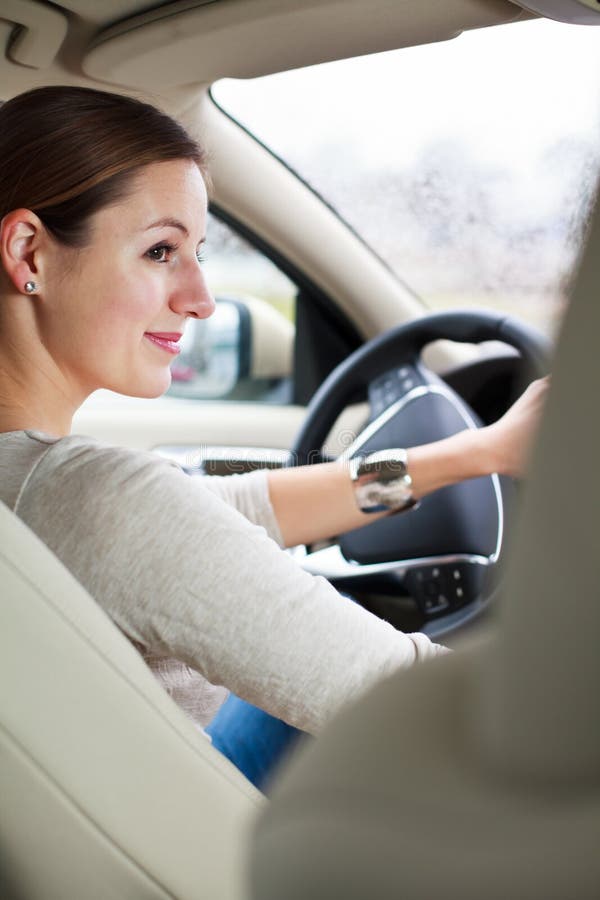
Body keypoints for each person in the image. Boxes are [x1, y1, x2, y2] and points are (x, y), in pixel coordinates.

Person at [0, 86, 547, 788]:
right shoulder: (95, 497)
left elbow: (235, 512)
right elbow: (416, 699)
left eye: (198, 252)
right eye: (161, 250)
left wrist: (477, 454)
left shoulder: (53, 492)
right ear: (28, 252)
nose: (200, 298)